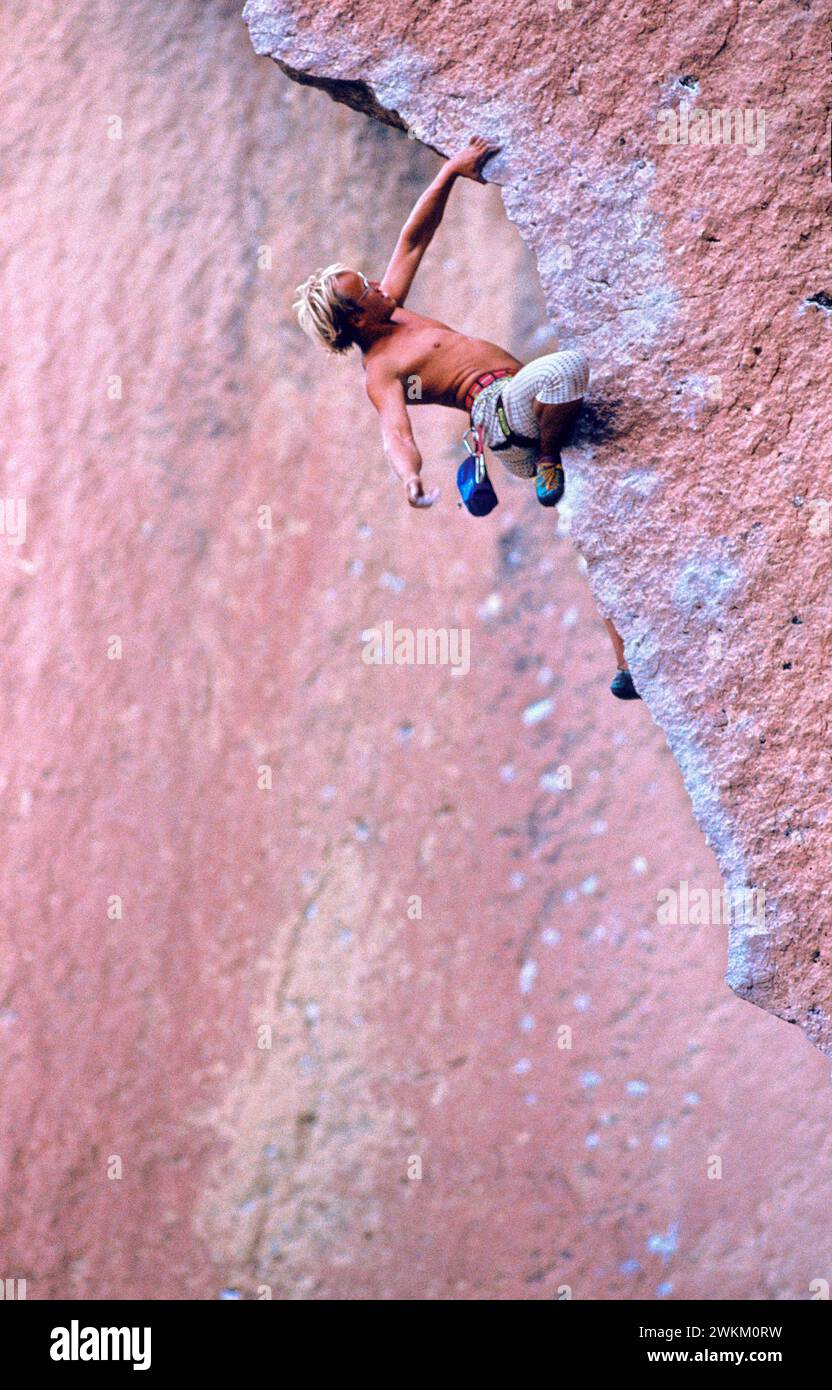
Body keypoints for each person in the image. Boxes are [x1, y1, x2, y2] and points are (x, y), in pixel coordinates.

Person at [293, 136, 640, 701]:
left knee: (592, 537)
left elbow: (414, 239)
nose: (381, 285)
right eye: (368, 290)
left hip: (525, 406)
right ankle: (549, 457)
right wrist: (409, 475)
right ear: (356, 318)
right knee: (566, 369)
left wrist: (452, 171)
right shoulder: (381, 368)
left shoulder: (394, 311)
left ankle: (628, 666)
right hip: (504, 421)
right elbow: (394, 432)